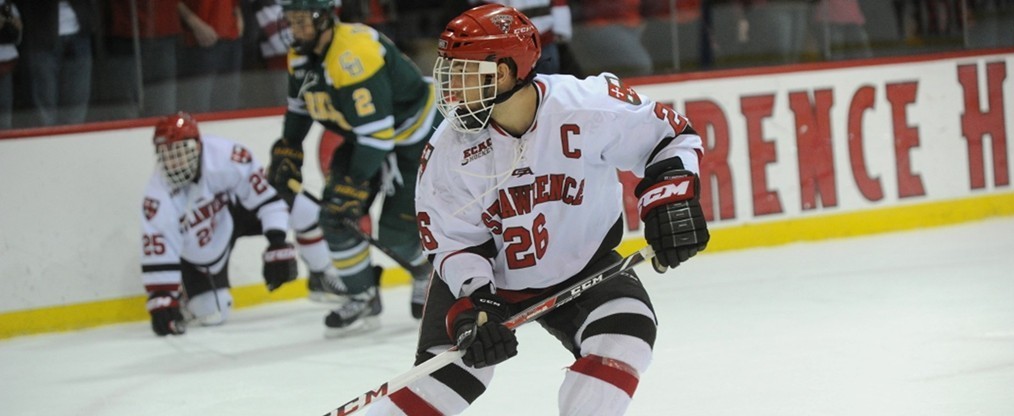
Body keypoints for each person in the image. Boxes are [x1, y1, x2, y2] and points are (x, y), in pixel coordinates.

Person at [366, 4, 709, 415]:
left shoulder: (586, 105)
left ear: (507, 72)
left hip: (582, 265)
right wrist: (476, 302)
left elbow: (669, 137)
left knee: (626, 337)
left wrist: (670, 202)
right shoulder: (449, 151)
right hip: (489, 281)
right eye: (449, 71)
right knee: (451, 381)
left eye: (463, 73)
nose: (452, 88)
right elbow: (452, 243)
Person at [267, 0, 437, 336]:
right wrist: (288, 149)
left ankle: (424, 274)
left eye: (302, 21)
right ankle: (362, 296)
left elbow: (378, 135)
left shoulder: (354, 54)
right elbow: (300, 109)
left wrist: (355, 182)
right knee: (334, 216)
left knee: (397, 234)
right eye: (291, 21)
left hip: (416, 137)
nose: (295, 29)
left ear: (325, 18)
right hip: (366, 138)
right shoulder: (302, 55)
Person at [140, 112, 343, 336]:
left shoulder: (226, 156)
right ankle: (186, 296)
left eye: (179, 152)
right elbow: (160, 247)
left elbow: (266, 199)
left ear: (197, 147)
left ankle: (321, 275)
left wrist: (277, 242)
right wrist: (162, 297)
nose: (174, 163)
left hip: (234, 212)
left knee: (306, 210)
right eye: (167, 155)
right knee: (213, 314)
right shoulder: (158, 198)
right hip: (204, 245)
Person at [14, 0, 96, 126]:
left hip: (80, 33)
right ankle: (46, 142)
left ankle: (74, 142)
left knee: (77, 105)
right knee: (44, 107)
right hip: (41, 35)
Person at [176, 0, 244, 113]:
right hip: (201, 41)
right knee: (200, 108)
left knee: (229, 108)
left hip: (231, 36)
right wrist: (194, 22)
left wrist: (238, 13)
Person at [0, 0, 20, 129]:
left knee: (5, 119)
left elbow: (17, 34)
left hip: (5, 63)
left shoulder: (5, 4)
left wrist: (9, 23)